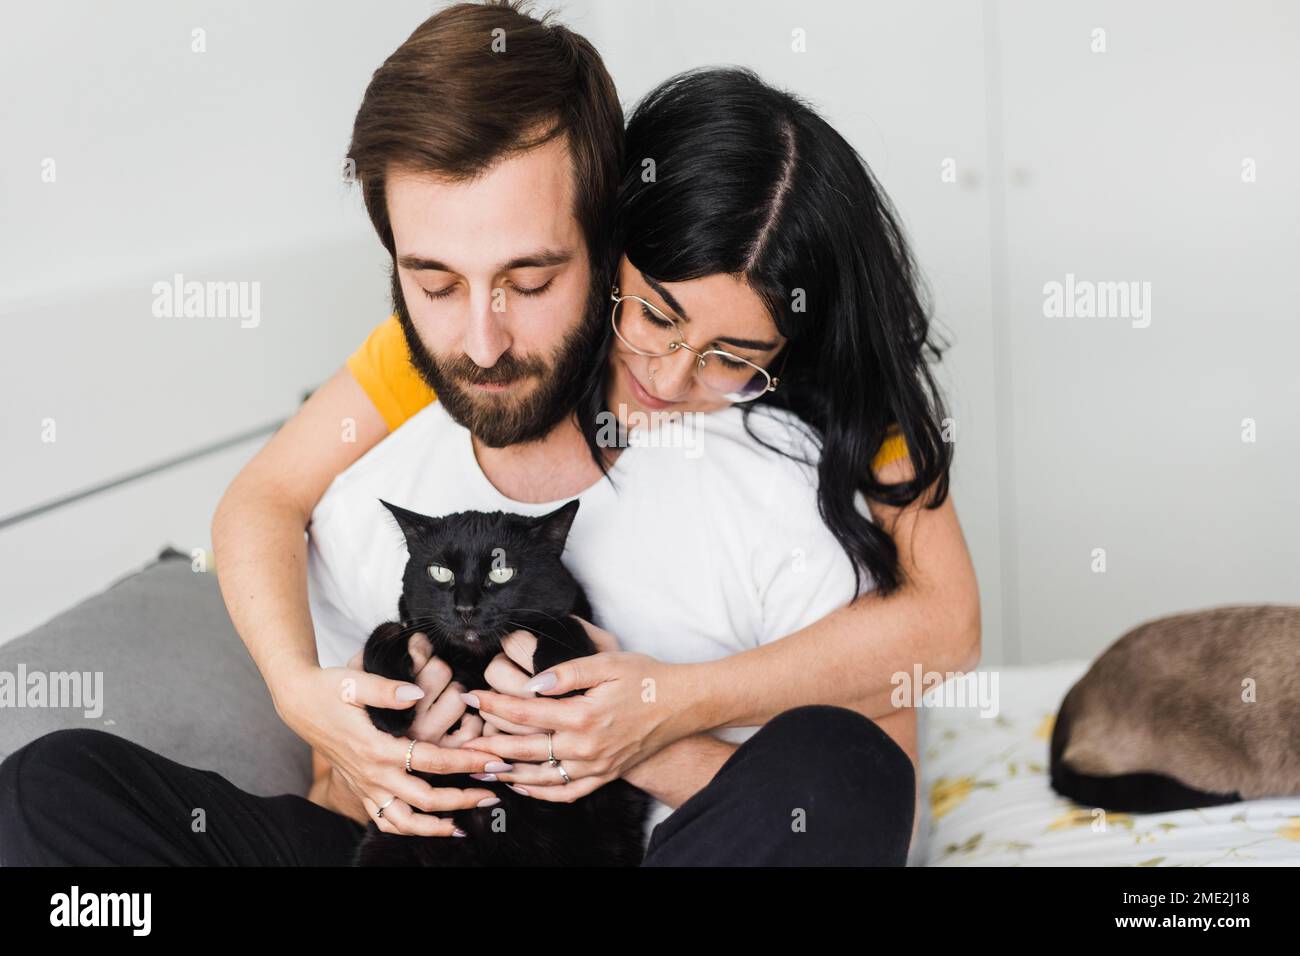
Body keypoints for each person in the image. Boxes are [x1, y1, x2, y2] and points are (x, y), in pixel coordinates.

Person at [0, 1, 977, 867]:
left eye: (530, 278)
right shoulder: (430, 362)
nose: (481, 335)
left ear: (594, 240)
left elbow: (940, 637)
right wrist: (316, 708)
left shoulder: (824, 427)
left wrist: (656, 713)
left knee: (846, 772)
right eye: (435, 283)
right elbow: (263, 498)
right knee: (51, 784)